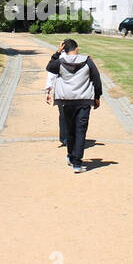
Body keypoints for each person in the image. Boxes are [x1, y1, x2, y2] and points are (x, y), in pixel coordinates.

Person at [45, 38, 102, 172]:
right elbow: (96, 79)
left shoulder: (60, 62)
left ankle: (71, 156)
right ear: (76, 48)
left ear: (64, 49)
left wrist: (57, 52)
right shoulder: (87, 61)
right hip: (84, 100)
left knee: (70, 131)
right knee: (80, 131)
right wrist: (97, 96)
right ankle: (77, 162)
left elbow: (49, 67)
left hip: (66, 100)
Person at [43, 51, 69, 148]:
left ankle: (65, 138)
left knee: (63, 115)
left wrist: (48, 91)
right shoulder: (78, 59)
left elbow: (51, 75)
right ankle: (71, 137)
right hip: (75, 92)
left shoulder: (58, 59)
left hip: (61, 92)